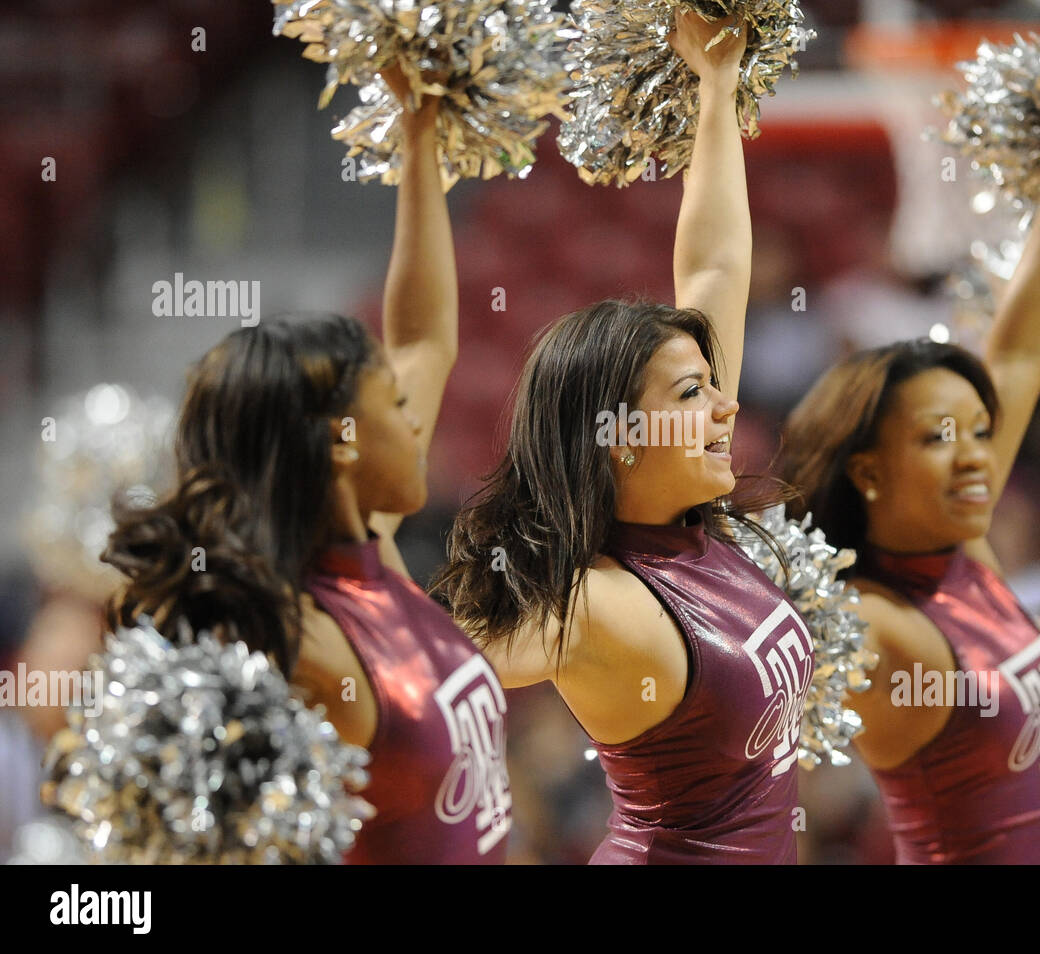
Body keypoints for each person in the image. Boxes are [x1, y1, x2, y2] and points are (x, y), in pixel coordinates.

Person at [102, 72, 511, 864]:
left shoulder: (373, 553)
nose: (418, 416)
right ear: (343, 440)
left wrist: (421, 131)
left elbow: (426, 338)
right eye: (396, 402)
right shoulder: (297, 646)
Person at [435, 12, 812, 864]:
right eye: (693, 393)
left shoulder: (692, 522)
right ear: (616, 438)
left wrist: (716, 88)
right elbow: (435, 677)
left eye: (714, 386)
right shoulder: (598, 600)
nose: (725, 409)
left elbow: (716, 269)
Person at [778, 100, 1040, 863]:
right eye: (938, 438)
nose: (975, 458)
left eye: (979, 432)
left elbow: (1023, 353)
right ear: (866, 469)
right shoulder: (874, 617)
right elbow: (755, 763)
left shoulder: (968, 558)